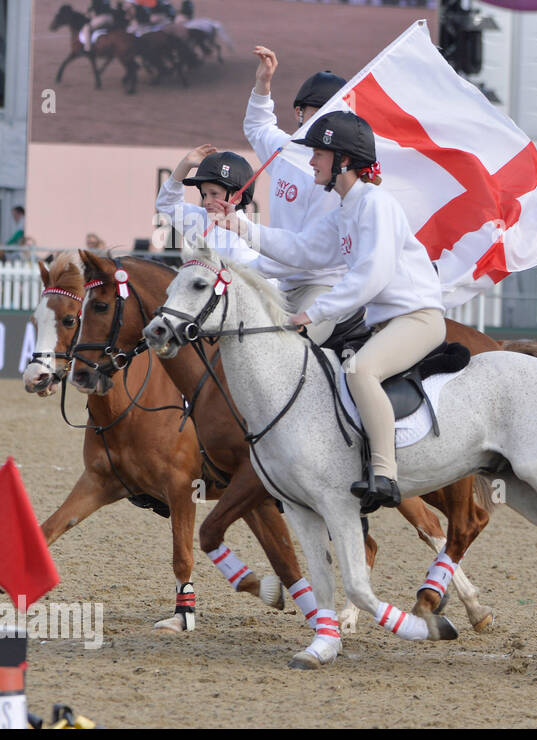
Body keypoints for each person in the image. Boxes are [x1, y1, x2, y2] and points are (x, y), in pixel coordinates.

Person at [213, 111, 445, 513]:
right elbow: (303, 251)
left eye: (320, 154)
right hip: (388, 322)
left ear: (344, 161)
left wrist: (315, 312)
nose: (313, 162)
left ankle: (385, 473)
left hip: (418, 319)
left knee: (360, 370)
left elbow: (373, 274)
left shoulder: (377, 205)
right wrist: (242, 228)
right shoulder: (345, 212)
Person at [244, 46, 349, 344]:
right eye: (318, 110)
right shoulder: (285, 150)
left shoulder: (333, 172)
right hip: (284, 284)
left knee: (290, 352)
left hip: (323, 287)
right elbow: (257, 125)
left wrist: (245, 270)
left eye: (333, 112)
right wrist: (263, 85)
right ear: (299, 112)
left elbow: (305, 253)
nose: (325, 119)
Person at [154, 144, 264, 269]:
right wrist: (185, 164)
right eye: (204, 194)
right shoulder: (200, 219)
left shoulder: (244, 238)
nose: (206, 201)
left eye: (214, 194)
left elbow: (247, 283)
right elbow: (167, 204)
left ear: (237, 197)